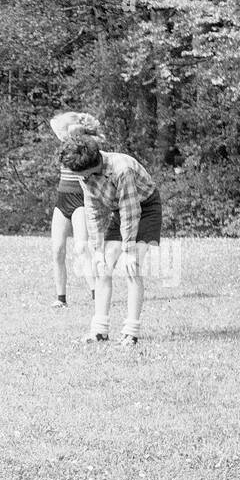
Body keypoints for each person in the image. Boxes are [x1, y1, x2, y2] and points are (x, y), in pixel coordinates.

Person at [58, 130, 161, 347]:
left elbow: (130, 211)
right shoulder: (85, 176)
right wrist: (97, 250)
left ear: (92, 166)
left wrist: (130, 250)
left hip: (145, 208)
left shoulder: (121, 169)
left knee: (132, 267)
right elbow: (93, 210)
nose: (80, 178)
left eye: (81, 173)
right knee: (103, 266)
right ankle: (100, 331)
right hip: (120, 211)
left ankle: (131, 333)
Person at [48, 111, 103, 308]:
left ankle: (97, 293)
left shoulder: (86, 145)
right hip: (62, 200)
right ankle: (61, 298)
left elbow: (75, 131)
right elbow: (55, 125)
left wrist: (77, 124)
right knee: (57, 250)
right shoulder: (66, 145)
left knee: (81, 248)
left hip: (80, 200)